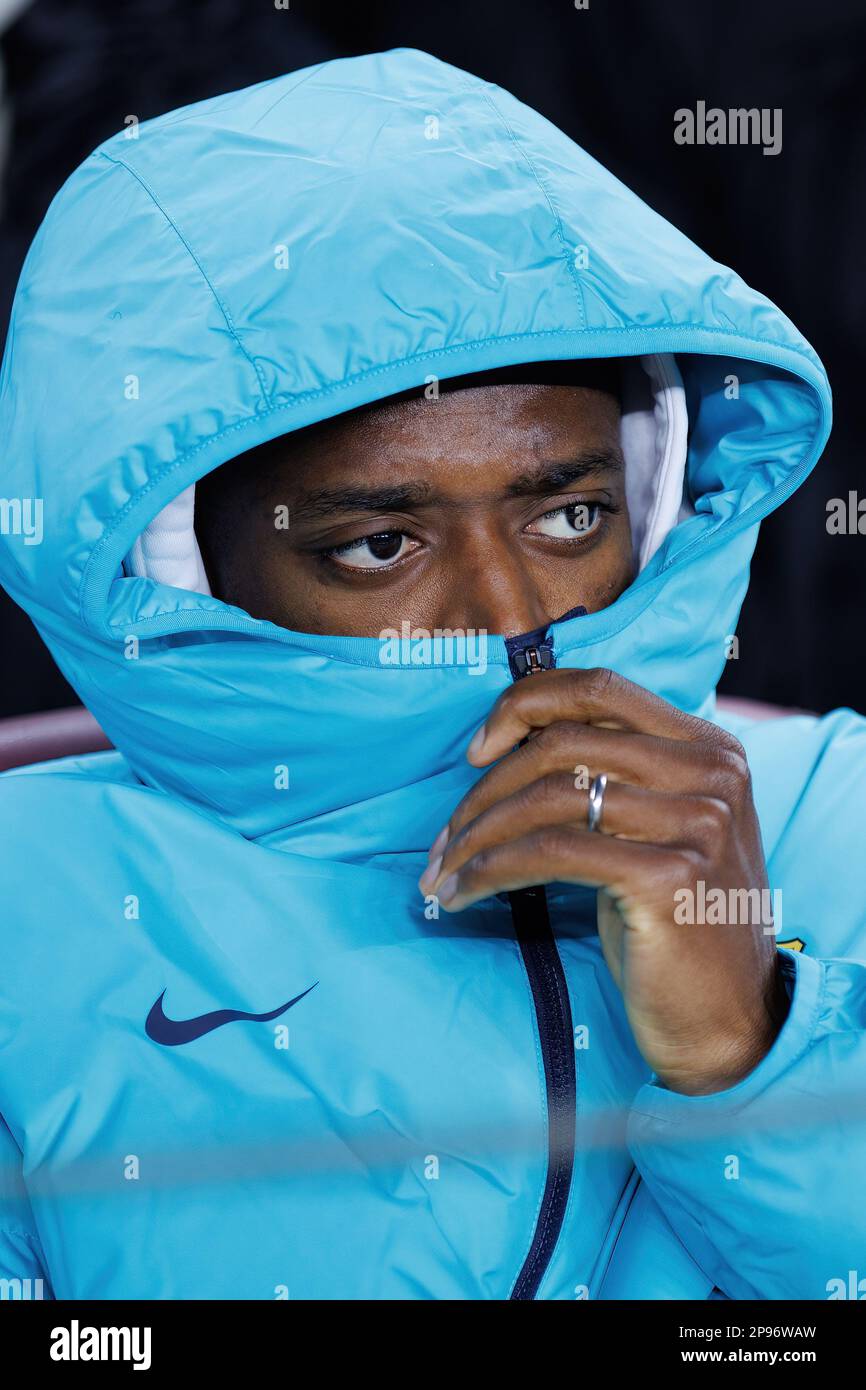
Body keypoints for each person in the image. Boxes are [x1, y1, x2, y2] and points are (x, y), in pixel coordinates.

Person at [0, 47, 862, 1302]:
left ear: (652, 489)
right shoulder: (25, 916)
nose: (514, 623)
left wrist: (751, 1046)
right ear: (178, 567)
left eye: (567, 515)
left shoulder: (833, 815)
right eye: (378, 544)